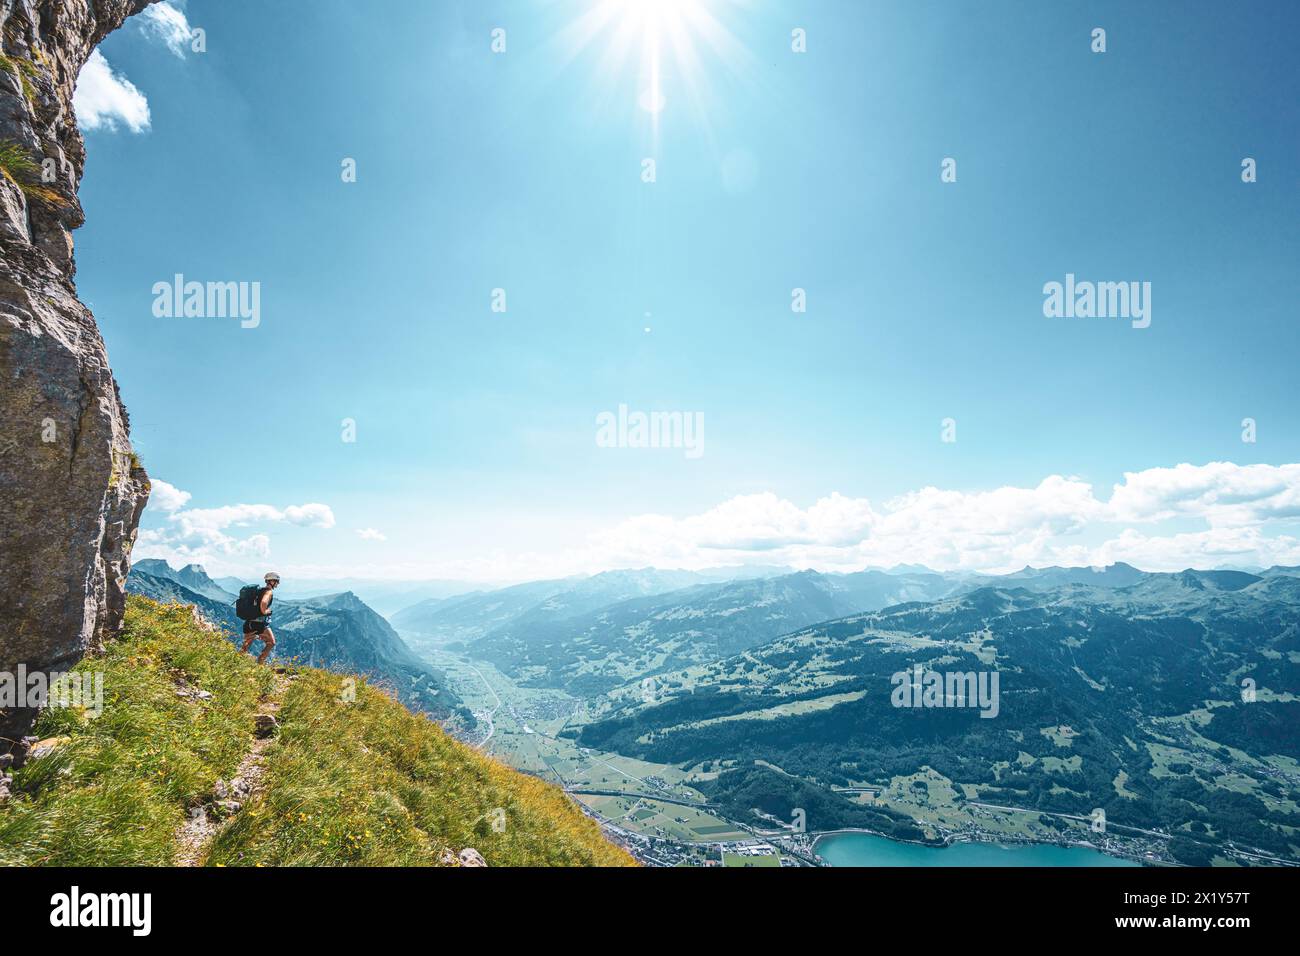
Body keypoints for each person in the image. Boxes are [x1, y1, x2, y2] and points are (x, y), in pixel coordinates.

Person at [239, 571, 280, 664]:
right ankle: (260, 663)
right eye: (277, 581)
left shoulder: (259, 591)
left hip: (249, 622)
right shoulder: (268, 592)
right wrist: (265, 611)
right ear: (272, 581)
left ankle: (234, 663)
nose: (277, 583)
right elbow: (264, 603)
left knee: (246, 644)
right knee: (271, 643)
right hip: (259, 623)